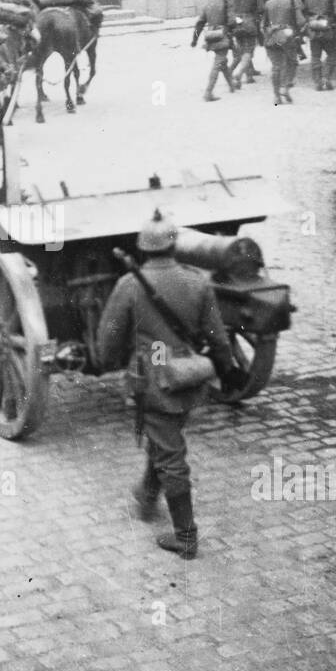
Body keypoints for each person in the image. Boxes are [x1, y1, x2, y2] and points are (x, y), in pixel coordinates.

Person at [96, 211, 236, 560]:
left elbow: (107, 343)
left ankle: (186, 537)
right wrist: (223, 368)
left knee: (170, 452)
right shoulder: (197, 281)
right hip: (189, 376)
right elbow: (219, 339)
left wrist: (112, 361)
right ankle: (146, 496)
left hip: (156, 377)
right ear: (175, 244)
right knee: (165, 436)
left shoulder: (130, 285)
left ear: (143, 248)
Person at [191, 0, 235, 100]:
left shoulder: (209, 3)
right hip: (223, 36)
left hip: (211, 36)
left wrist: (194, 39)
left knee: (223, 62)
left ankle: (232, 85)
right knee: (219, 62)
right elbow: (232, 22)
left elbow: (199, 23)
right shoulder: (228, 3)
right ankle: (208, 92)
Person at [261, 0, 301, 105]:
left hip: (272, 37)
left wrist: (271, 32)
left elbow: (263, 25)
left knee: (276, 67)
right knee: (292, 62)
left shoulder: (268, 3)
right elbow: (300, 21)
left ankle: (277, 96)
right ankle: (285, 86)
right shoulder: (292, 2)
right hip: (288, 37)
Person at [301, 0, 336, 91]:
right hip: (328, 29)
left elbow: (305, 11)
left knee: (315, 56)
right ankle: (326, 78)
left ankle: (317, 82)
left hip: (313, 29)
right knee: (333, 53)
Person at [225, 0, 261, 88]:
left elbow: (229, 7)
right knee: (249, 51)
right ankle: (239, 74)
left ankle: (249, 75)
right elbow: (260, 8)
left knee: (241, 50)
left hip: (236, 22)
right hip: (249, 21)